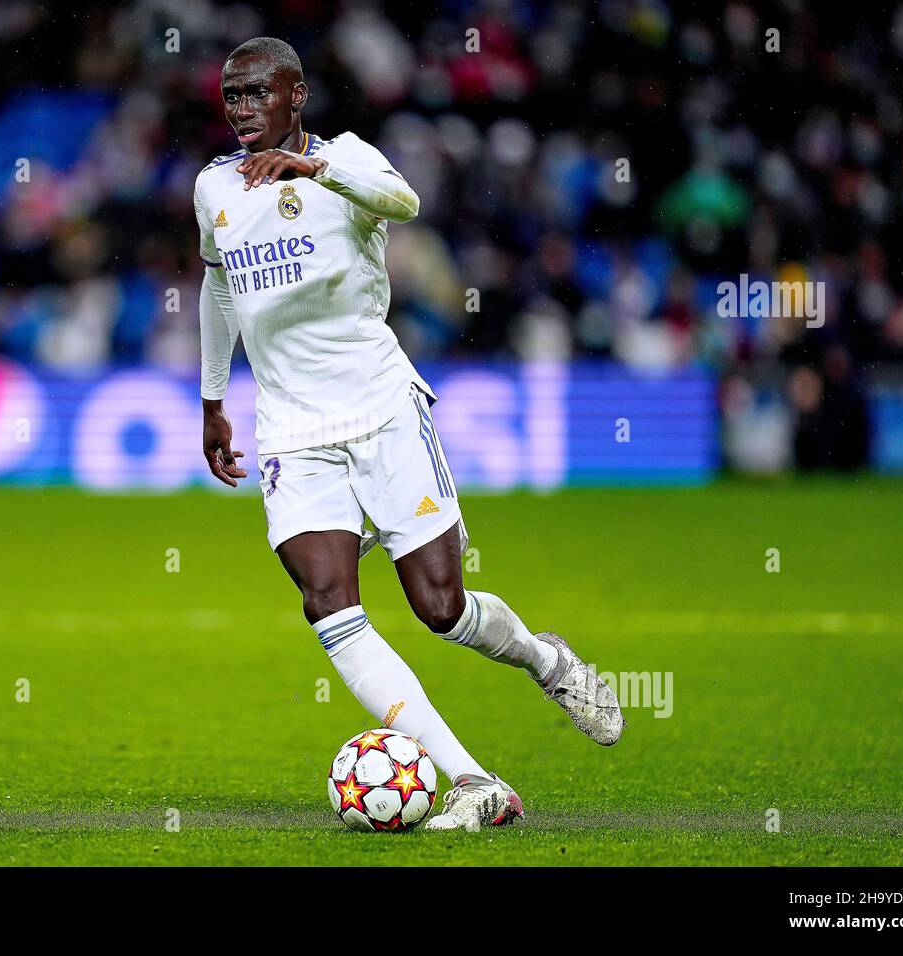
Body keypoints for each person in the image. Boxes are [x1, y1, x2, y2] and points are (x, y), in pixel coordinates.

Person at [194, 37, 623, 830]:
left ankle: (544, 658)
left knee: (440, 606)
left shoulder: (349, 160)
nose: (241, 109)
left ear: (298, 95)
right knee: (326, 600)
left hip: (382, 409)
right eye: (231, 95)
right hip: (292, 427)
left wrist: (313, 170)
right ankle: (472, 780)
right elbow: (219, 290)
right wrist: (214, 397)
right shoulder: (213, 187)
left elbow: (405, 204)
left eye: (257, 93)